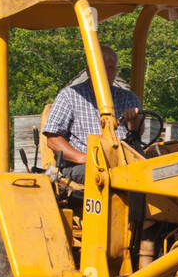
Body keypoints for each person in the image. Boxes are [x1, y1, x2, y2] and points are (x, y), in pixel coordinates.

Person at [42, 44, 141, 184]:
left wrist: (134, 119)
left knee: (155, 173)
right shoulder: (70, 96)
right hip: (81, 166)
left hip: (123, 162)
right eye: (101, 67)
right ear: (89, 71)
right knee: (114, 177)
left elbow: (137, 133)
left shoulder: (128, 98)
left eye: (111, 68)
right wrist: (82, 158)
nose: (106, 73)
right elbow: (53, 139)